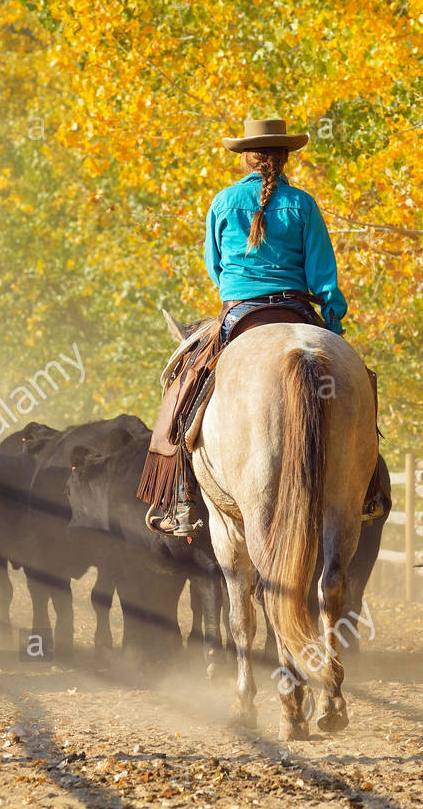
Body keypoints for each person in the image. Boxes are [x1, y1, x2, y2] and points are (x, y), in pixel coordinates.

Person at [139, 117, 383, 537]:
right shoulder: (303, 205)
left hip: (240, 314)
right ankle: (368, 487)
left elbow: (215, 268)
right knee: (360, 380)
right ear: (285, 158)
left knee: (184, 380)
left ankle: (179, 498)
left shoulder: (222, 202)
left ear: (247, 158)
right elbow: (324, 274)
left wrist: (238, 287)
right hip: (298, 311)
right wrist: (334, 322)